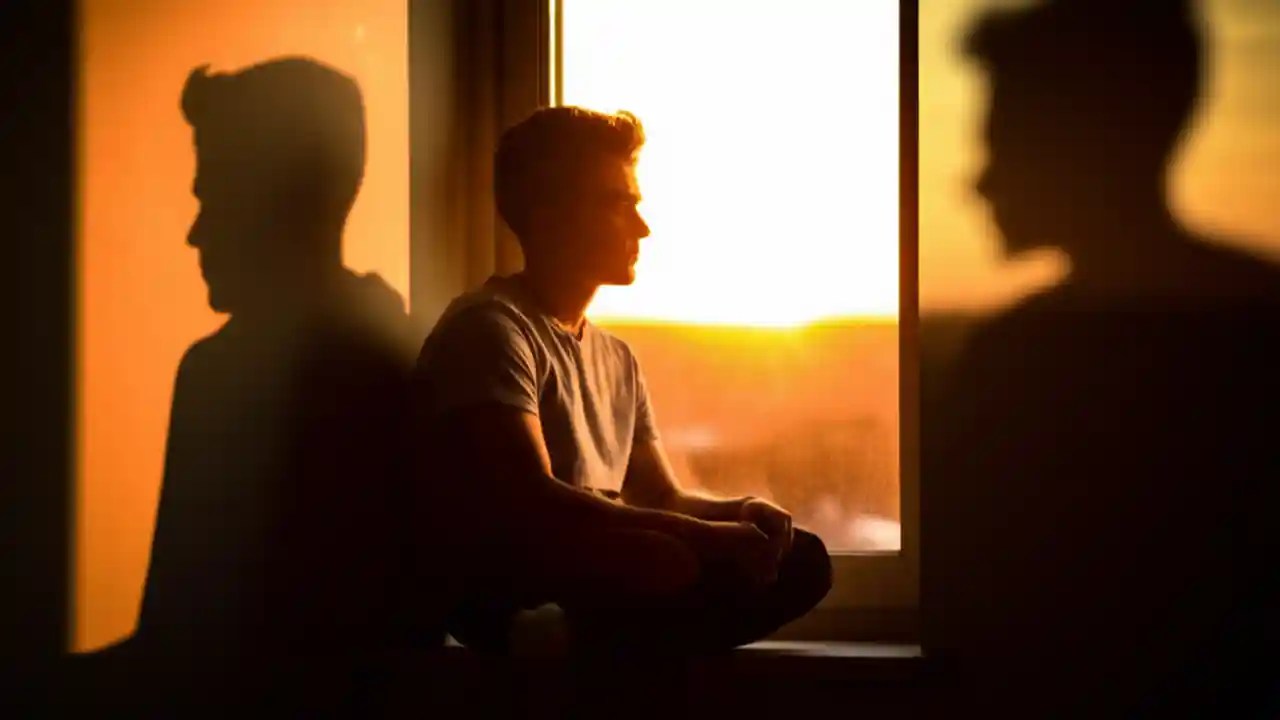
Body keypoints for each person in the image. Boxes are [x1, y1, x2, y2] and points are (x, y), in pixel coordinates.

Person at [922, 1, 1279, 716]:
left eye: (1005, 142)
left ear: (1086, 148)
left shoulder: (1019, 361)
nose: (978, 181)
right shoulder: (1260, 322)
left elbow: (978, 614)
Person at [76, 57, 428, 714]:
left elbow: (175, 644)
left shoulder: (223, 372)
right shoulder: (403, 349)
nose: (195, 231)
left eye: (212, 198)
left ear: (275, 205)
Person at [411, 106, 832, 655]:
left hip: (612, 572)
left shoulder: (617, 357)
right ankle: (544, 637)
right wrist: (707, 538)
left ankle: (592, 643)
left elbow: (661, 495)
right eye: (618, 203)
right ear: (549, 212)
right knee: (662, 558)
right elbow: (533, 502)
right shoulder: (490, 329)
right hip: (519, 582)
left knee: (803, 557)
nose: (642, 227)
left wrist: (740, 512)